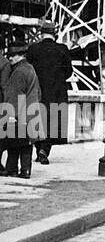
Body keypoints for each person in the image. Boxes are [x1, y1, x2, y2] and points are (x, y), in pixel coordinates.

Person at [25, 20, 72, 166]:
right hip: (57, 92)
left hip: (37, 91)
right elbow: (69, 72)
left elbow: (28, 70)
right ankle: (44, 150)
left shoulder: (33, 49)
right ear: (54, 34)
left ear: (41, 33)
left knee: (37, 121)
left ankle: (40, 149)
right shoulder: (63, 49)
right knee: (53, 122)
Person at [1, 42, 42, 179]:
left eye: (13, 55)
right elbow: (38, 91)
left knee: (14, 141)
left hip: (20, 113)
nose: (10, 58)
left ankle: (11, 168)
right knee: (26, 144)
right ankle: (26, 170)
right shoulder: (30, 69)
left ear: (20, 56)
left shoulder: (18, 72)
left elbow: (13, 95)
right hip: (32, 110)